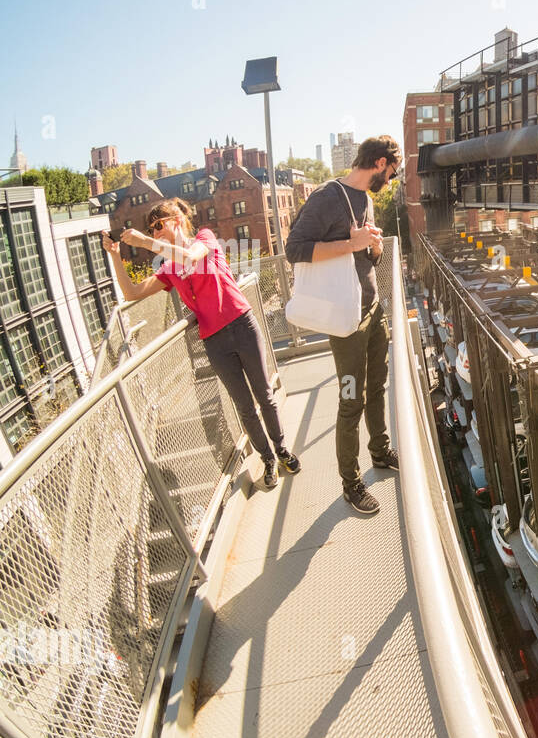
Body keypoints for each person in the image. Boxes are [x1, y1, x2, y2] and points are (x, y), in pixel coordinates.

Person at [102, 199, 300, 490]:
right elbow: (132, 293)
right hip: (214, 339)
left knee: (264, 394)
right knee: (244, 406)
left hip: (242, 323)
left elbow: (190, 258)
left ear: (178, 219)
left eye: (159, 225)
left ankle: (282, 449)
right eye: (151, 229)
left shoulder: (204, 239)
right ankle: (268, 459)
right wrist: (116, 255)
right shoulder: (169, 268)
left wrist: (145, 242)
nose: (155, 232)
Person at [285, 135, 401, 515]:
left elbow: (367, 254)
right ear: (381, 163)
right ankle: (352, 484)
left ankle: (380, 452)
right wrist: (350, 246)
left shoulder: (366, 200)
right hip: (343, 321)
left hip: (372, 311)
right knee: (351, 400)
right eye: (393, 172)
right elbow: (294, 250)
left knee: (377, 387)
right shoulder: (326, 197)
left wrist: (374, 247)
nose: (392, 179)